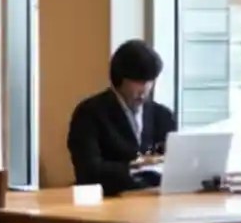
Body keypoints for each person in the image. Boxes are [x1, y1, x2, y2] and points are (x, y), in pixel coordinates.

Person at [67, 39, 177, 196]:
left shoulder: (163, 116)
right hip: (107, 204)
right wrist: (135, 166)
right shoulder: (89, 113)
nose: (145, 89)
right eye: (138, 81)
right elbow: (88, 171)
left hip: (154, 201)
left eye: (149, 81)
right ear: (119, 79)